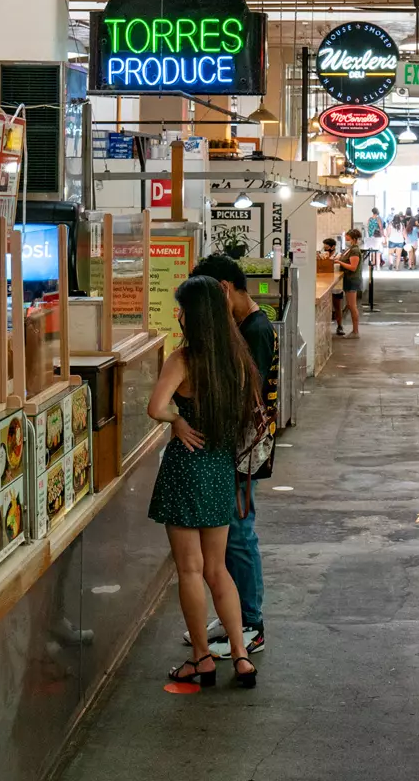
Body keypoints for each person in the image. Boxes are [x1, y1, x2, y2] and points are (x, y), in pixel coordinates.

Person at [146, 276, 263, 689]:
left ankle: (201, 658)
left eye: (180, 307)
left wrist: (177, 420)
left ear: (193, 315)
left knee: (190, 570)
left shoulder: (182, 360)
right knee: (219, 569)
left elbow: (155, 407)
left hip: (186, 468)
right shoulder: (237, 360)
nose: (177, 313)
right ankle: (241, 655)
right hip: (219, 469)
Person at [182, 253, 277, 658]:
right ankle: (236, 617)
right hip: (232, 448)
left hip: (240, 451)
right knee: (233, 533)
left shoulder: (253, 331)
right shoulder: (243, 326)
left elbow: (241, 395)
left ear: (222, 289)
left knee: (239, 534)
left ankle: (251, 623)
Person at [337, 229, 365, 334]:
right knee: (350, 305)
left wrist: (339, 262)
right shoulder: (350, 249)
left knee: (352, 306)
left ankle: (355, 331)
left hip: (353, 279)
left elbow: (353, 267)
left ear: (352, 237)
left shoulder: (355, 250)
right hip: (348, 279)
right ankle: (354, 330)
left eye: (347, 236)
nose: (345, 238)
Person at [320, 237, 343, 332]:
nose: (325, 249)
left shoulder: (339, 255)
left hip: (337, 284)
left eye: (327, 247)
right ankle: (326, 327)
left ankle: (340, 326)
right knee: (326, 306)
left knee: (337, 306)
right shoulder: (323, 255)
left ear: (333, 247)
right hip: (325, 283)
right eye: (324, 247)